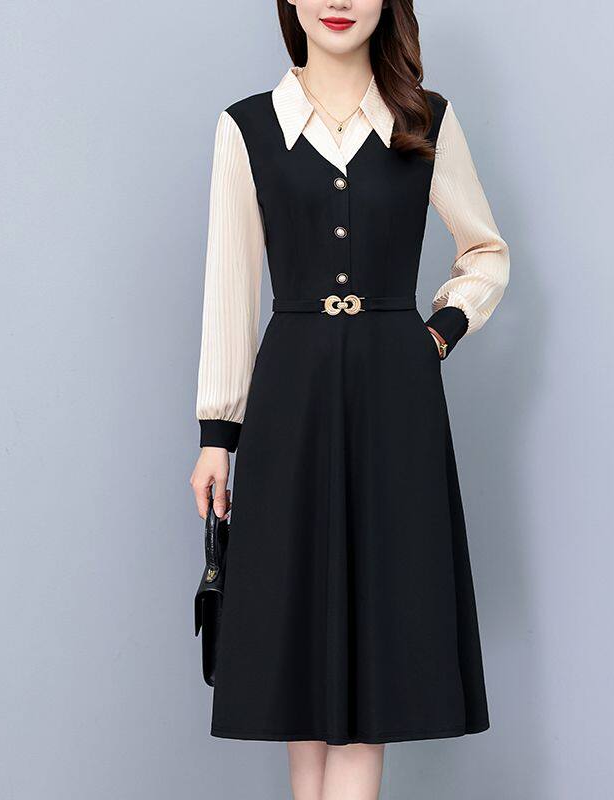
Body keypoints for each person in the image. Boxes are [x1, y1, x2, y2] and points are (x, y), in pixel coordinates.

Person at [189, 1, 510, 797]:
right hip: (289, 402)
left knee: (377, 639)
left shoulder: (424, 120)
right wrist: (217, 434)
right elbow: (231, 285)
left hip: (395, 403)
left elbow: (485, 252)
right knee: (299, 635)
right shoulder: (247, 128)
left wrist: (437, 334)